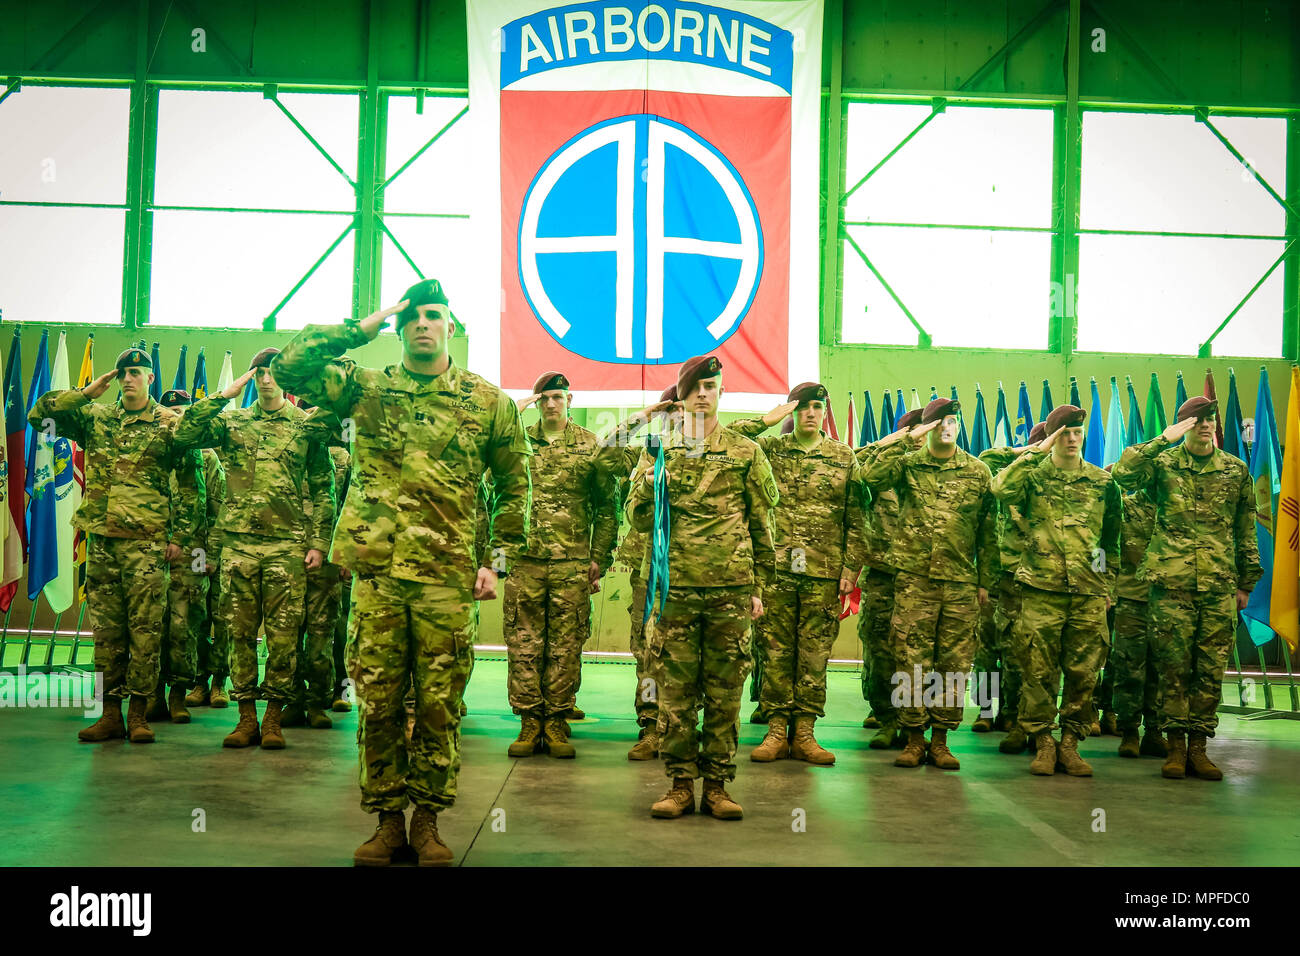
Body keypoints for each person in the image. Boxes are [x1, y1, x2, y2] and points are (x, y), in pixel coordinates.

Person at [272, 278, 530, 865]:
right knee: (379, 700)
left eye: (432, 315)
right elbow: (290, 368)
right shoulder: (364, 388)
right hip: (378, 577)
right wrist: (365, 323)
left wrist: (499, 559)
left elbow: (516, 484)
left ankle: (429, 822)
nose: (421, 324)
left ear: (449, 327)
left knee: (440, 703)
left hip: (446, 576)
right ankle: (388, 822)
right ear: (399, 327)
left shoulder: (487, 402)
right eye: (410, 316)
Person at [625, 355, 777, 819]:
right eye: (695, 387)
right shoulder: (658, 449)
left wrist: (760, 587)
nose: (703, 394)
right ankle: (679, 785)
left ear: (721, 391)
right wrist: (649, 486)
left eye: (711, 385)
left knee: (726, 691)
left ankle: (717, 786)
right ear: (682, 395)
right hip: (675, 591)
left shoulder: (746, 451)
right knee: (674, 692)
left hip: (731, 590)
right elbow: (634, 516)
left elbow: (762, 522)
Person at [174, 348, 335, 751]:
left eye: (272, 373)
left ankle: (273, 719)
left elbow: (323, 486)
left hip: (287, 548)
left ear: (285, 378)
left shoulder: (306, 426)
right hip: (239, 547)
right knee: (238, 634)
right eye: (259, 373)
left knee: (282, 638)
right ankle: (246, 718)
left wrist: (319, 543)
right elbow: (185, 433)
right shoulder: (232, 422)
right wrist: (223, 396)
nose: (265, 380)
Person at [29, 348, 192, 743]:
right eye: (123, 373)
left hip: (147, 544)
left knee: (146, 631)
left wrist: (180, 538)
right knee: (106, 633)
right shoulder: (97, 419)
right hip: (102, 542)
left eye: (136, 372)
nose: (128, 379)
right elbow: (40, 416)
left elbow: (189, 484)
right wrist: (85, 394)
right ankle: (109, 714)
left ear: (151, 378)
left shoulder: (171, 424)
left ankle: (139, 713)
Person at [1112, 396, 1261, 780]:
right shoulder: (1163, 464)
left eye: (1210, 419)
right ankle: (1174, 746)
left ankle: (1199, 747)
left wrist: (1247, 581)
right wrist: (1163, 439)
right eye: (1197, 420)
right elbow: (1123, 475)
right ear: (1184, 426)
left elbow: (1245, 528)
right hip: (1170, 583)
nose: (1206, 425)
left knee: (1209, 669)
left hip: (1218, 584)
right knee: (1172, 667)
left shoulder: (1235, 470)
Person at [729, 383, 866, 766]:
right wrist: (767, 420)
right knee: (774, 651)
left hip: (823, 571)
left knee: (814, 654)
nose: (809, 413)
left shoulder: (843, 457)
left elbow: (856, 516)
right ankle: (775, 730)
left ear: (825, 412)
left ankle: (804, 732)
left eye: (816, 407)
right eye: (802, 407)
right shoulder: (769, 450)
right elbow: (728, 440)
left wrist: (851, 568)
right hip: (776, 569)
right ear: (792, 410)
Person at [859, 397, 996, 771]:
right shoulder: (907, 465)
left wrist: (986, 580)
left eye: (952, 421)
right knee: (911, 661)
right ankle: (914, 738)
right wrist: (906, 439)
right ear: (928, 428)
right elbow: (868, 479)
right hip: (914, 580)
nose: (947, 427)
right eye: (940, 422)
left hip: (959, 582)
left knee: (953, 664)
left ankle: (941, 740)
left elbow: (988, 531)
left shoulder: (978, 471)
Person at [990, 405, 1122, 777]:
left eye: (1077, 432)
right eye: (1063, 432)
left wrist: (1105, 583)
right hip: (1040, 591)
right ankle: (1044, 743)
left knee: (1083, 674)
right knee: (1038, 672)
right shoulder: (1031, 478)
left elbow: (1110, 540)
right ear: (1052, 438)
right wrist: (1034, 451)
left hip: (1087, 595)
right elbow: (999, 488)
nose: (1072, 438)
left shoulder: (1101, 482)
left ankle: (1070, 744)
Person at [503, 371, 618, 758]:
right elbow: (496, 493)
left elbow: (607, 507)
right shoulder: (517, 442)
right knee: (523, 643)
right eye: (544, 397)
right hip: (525, 562)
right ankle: (528, 721)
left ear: (570, 399)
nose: (551, 403)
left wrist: (599, 558)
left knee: (566, 645)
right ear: (536, 402)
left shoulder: (590, 445)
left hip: (571, 563)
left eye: (557, 396)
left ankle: (555, 721)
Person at [604, 387, 680, 759]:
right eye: (673, 409)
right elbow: (603, 457)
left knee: (687, 654)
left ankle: (681, 729)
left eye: (685, 408)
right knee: (648, 651)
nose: (680, 415)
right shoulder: (645, 450)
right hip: (649, 569)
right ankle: (650, 726)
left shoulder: (711, 453)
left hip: (696, 569)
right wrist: (643, 418)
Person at [283, 403, 352, 730]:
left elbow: (350, 506)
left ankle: (332, 694)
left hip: (330, 559)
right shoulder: (286, 456)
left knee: (331, 632)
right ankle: (293, 699)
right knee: (287, 633)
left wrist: (346, 555)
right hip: (290, 552)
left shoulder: (343, 458)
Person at [978, 421, 1044, 754]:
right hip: (998, 576)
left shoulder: (1053, 486)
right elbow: (988, 458)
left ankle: (1015, 715)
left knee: (1022, 652)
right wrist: (1024, 452)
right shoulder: (1010, 480)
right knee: (988, 648)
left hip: (1033, 580)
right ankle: (986, 710)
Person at [857, 408, 920, 749]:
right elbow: (854, 467)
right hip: (882, 576)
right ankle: (885, 716)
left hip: (921, 578)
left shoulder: (931, 473)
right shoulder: (881, 469)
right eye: (914, 432)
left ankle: (912, 719)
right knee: (880, 650)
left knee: (915, 654)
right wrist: (890, 442)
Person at [1109, 477, 1165, 759]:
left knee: (1162, 668)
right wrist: (1105, 586)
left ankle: (1155, 731)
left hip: (1169, 600)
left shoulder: (1176, 507)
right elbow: (1105, 547)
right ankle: (1129, 731)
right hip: (1131, 598)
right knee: (1129, 667)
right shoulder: (1126, 508)